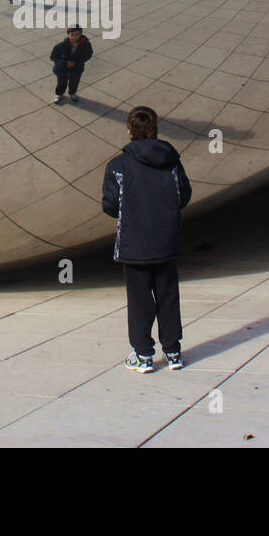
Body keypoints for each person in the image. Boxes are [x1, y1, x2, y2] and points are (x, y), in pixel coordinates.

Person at [102, 106, 193, 374]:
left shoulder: (118, 166)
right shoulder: (171, 161)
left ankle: (143, 354)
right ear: (155, 129)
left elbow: (110, 204)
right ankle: (173, 351)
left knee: (140, 299)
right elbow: (183, 194)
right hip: (165, 240)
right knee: (168, 294)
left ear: (129, 131)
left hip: (135, 243)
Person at [50, 24, 92, 104]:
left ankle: (72, 93)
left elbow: (88, 55)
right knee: (61, 82)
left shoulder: (85, 45)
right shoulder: (61, 45)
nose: (74, 37)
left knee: (74, 81)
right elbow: (53, 56)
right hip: (63, 68)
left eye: (77, 35)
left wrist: (77, 62)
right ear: (68, 34)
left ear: (81, 34)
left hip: (77, 68)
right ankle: (59, 94)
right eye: (72, 35)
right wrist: (65, 63)